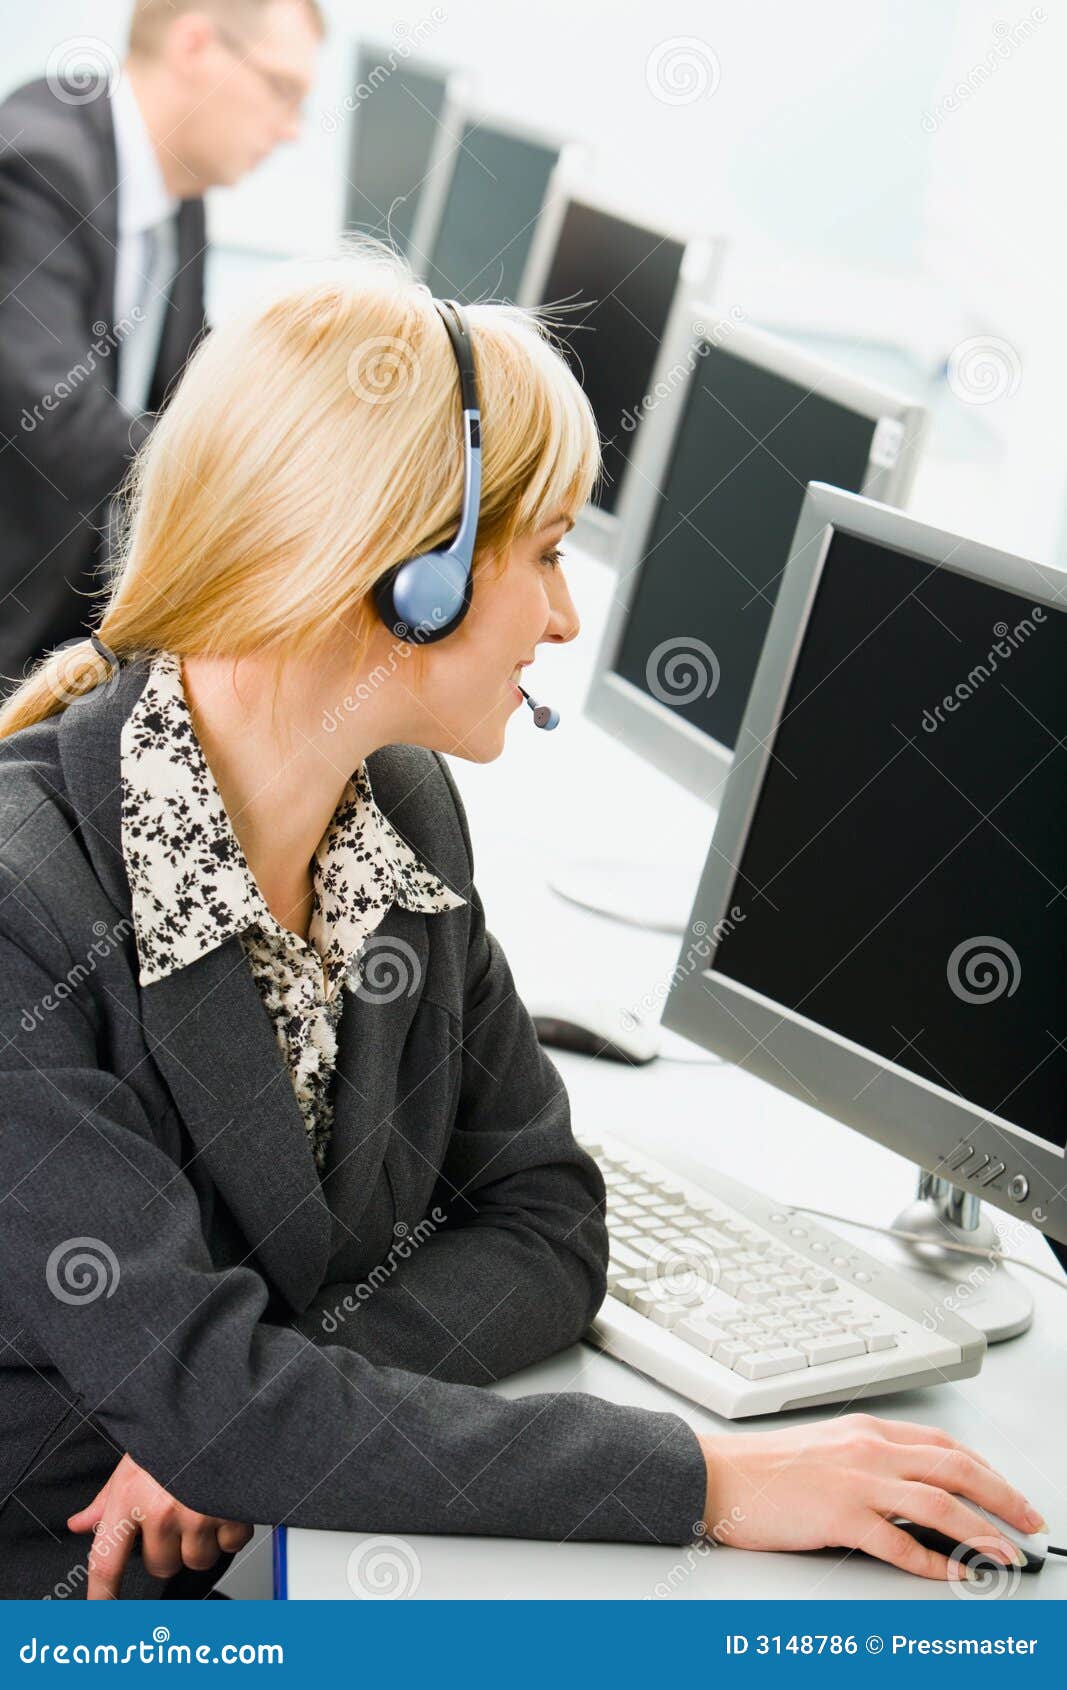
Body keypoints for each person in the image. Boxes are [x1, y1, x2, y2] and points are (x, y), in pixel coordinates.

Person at [0, 248, 1045, 1599]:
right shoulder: (30, 908)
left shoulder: (399, 819)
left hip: (239, 1547)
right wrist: (707, 1480)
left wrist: (249, 1420)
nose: (560, 613)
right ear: (399, 570)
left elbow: (546, 1218)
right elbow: (219, 1407)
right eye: (542, 553)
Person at [0, 0, 324, 687]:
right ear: (195, 44)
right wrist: (269, 494)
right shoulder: (35, 164)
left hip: (62, 614)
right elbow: (59, 423)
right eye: (283, 90)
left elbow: (187, 387)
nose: (292, 130)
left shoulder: (177, 192)